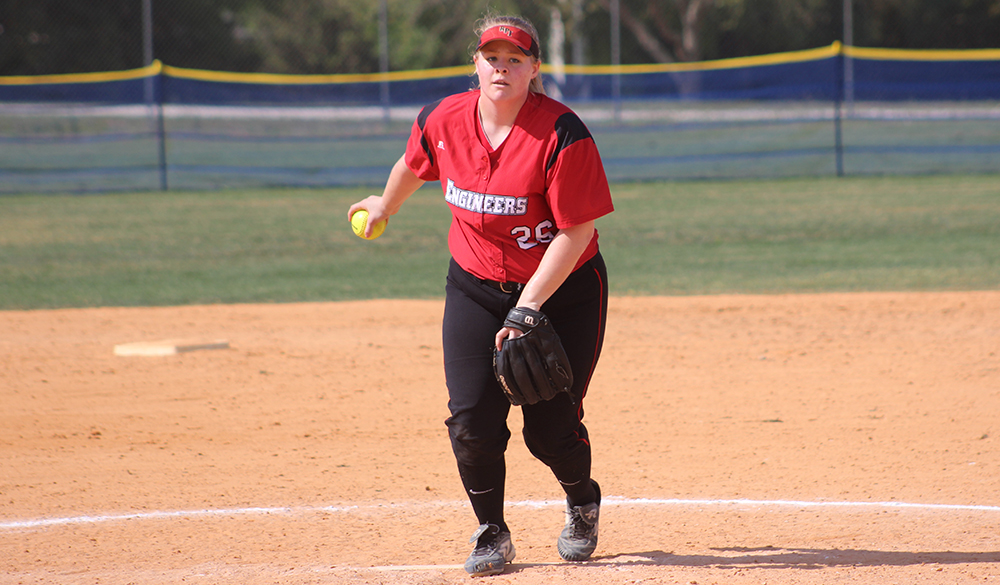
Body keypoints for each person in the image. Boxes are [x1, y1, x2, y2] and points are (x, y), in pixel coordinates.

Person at [347, 14, 614, 577]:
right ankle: (492, 531)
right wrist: (384, 205)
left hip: (560, 293)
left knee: (550, 428)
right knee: (471, 422)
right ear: (476, 63)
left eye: (514, 59)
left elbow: (576, 231)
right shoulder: (443, 118)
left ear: (534, 68)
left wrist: (528, 308)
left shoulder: (562, 133)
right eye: (491, 58)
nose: (501, 68)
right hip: (474, 285)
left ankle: (582, 499)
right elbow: (415, 163)